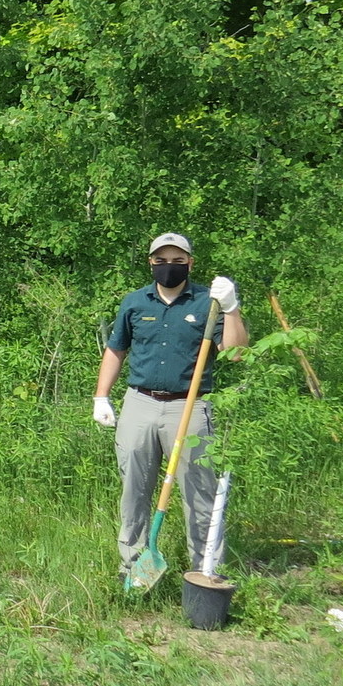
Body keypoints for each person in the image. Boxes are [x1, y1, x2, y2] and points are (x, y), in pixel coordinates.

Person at [91, 232, 248, 579]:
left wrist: (232, 308)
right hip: (140, 404)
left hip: (190, 407)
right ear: (151, 263)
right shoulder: (135, 302)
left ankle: (204, 571)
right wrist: (101, 396)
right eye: (161, 260)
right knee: (134, 489)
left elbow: (236, 353)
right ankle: (134, 568)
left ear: (190, 263)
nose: (169, 267)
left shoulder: (208, 302)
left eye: (178, 260)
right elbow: (116, 349)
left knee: (199, 492)